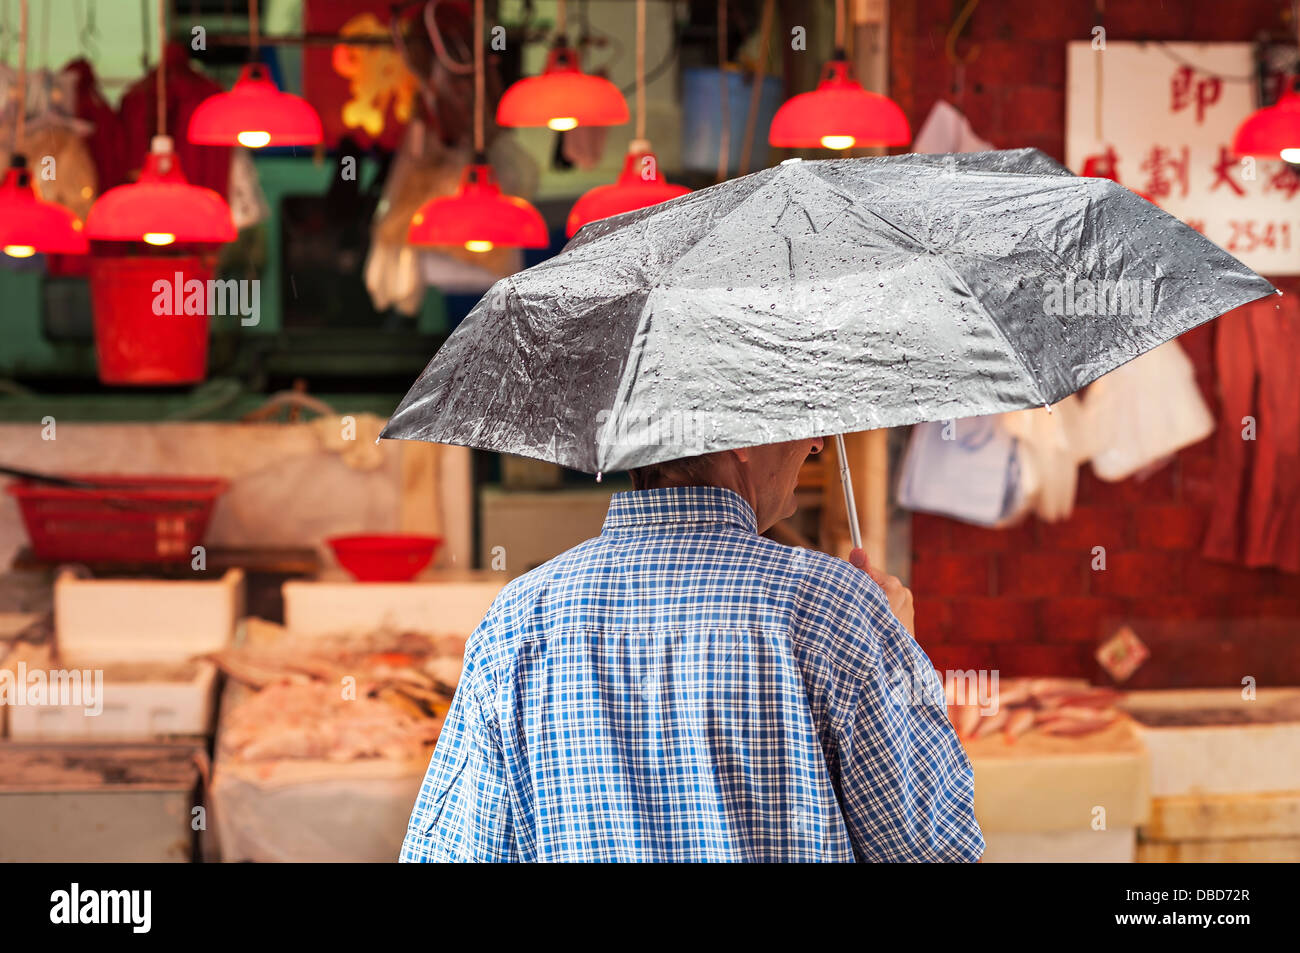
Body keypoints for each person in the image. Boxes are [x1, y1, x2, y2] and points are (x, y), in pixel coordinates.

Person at [401, 437, 984, 862]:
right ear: (744, 442)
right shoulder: (833, 607)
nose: (812, 446)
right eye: (801, 426)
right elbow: (931, 846)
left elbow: (453, 851)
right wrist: (895, 641)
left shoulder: (519, 618)